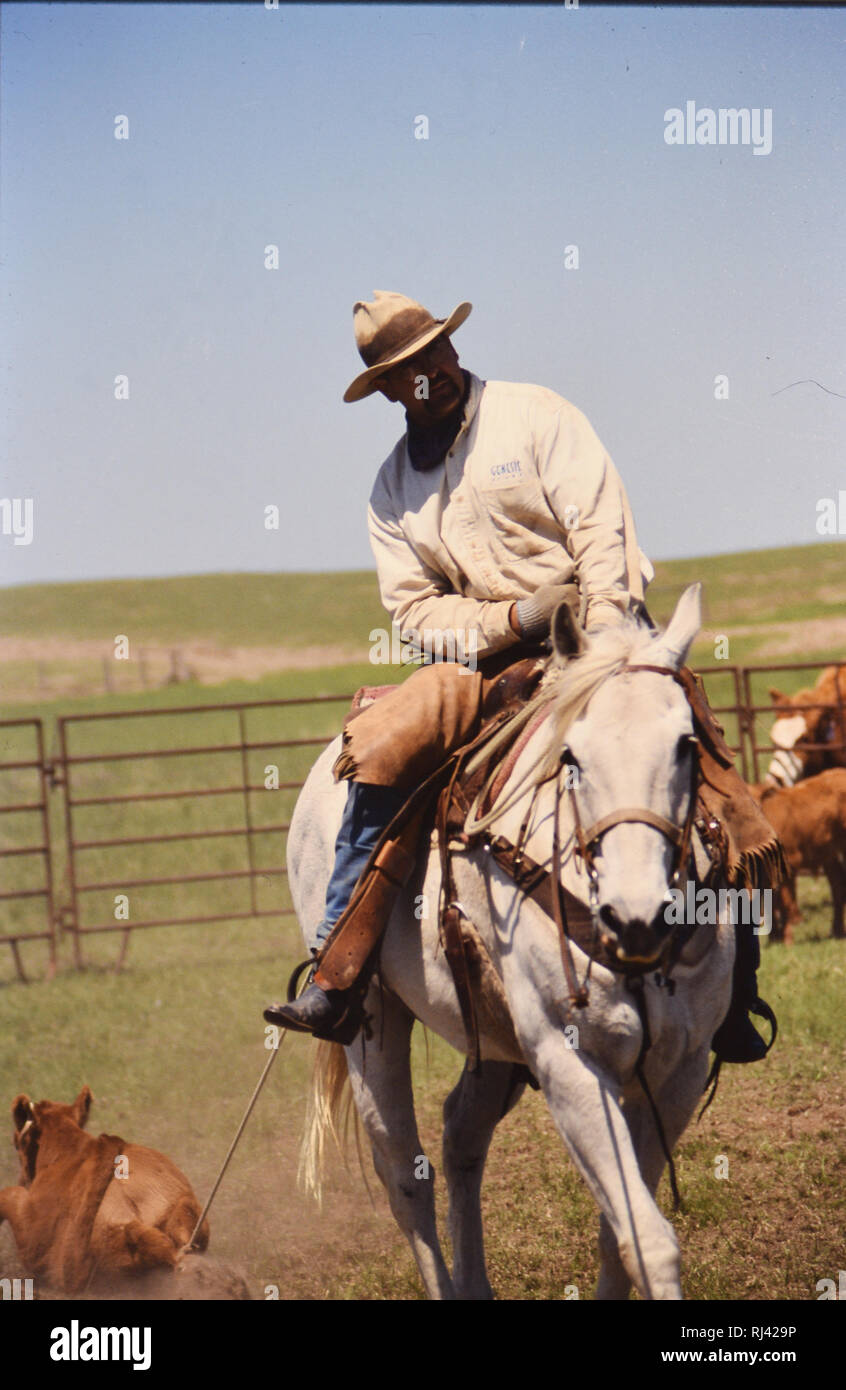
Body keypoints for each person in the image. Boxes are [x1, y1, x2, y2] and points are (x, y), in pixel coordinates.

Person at [264, 291, 772, 1064]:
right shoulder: (390, 491)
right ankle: (338, 970)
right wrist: (509, 624)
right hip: (478, 665)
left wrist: (596, 639)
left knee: (697, 757)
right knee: (383, 756)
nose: (427, 372)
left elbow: (603, 530)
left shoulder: (537, 416)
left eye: (432, 353)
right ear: (389, 391)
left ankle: (734, 981)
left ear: (451, 350)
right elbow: (413, 611)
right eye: (405, 371)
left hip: (598, 636)